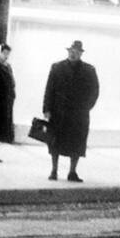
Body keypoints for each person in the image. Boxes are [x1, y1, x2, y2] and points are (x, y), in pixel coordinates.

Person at [42, 40, 99, 182]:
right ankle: (54, 171)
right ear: (68, 52)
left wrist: (87, 107)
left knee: (77, 143)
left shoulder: (89, 70)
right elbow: (49, 89)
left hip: (78, 115)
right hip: (58, 113)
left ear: (81, 54)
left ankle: (72, 172)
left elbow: (94, 91)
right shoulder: (57, 68)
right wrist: (47, 109)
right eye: (71, 51)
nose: (73, 54)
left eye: (76, 52)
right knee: (55, 142)